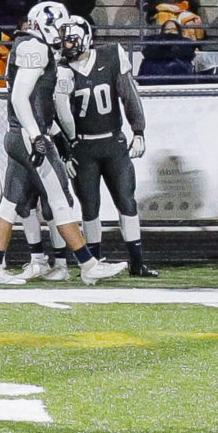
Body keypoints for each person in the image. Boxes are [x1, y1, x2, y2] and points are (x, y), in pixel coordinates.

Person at [0, 3, 128, 287]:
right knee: (59, 198)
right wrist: (37, 136)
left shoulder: (32, 46)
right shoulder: (35, 48)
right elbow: (19, 98)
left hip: (19, 134)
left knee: (9, 203)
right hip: (28, 135)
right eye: (59, 28)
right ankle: (88, 264)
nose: (62, 36)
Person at [53, 17, 156, 276]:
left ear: (86, 37)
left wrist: (138, 129)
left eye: (71, 39)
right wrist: (65, 150)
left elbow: (128, 94)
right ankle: (95, 262)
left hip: (113, 143)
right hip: (83, 148)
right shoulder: (61, 70)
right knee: (89, 207)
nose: (67, 46)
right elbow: (58, 114)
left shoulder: (111, 54)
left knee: (127, 202)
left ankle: (137, 261)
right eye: (64, 40)